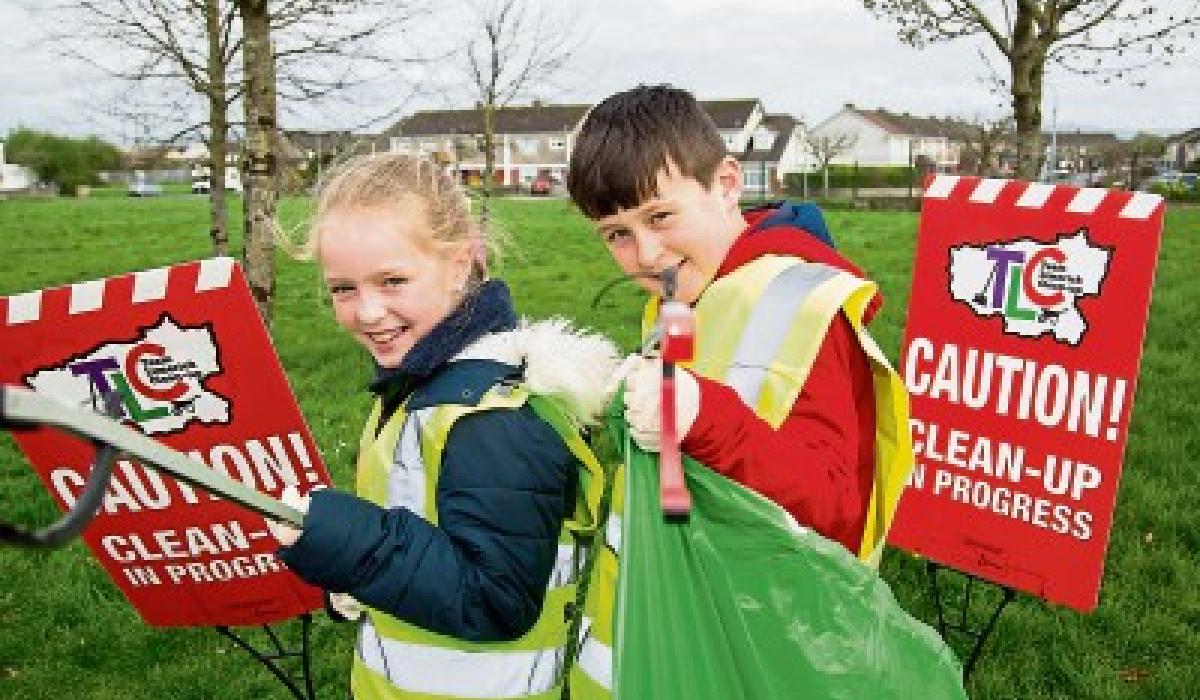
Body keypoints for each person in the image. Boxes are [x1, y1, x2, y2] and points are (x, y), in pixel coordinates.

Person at [564, 85, 913, 698]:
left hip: (766, 640)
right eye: (615, 234)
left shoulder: (802, 306)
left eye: (660, 217)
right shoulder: (686, 292)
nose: (645, 254)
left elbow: (834, 510)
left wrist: (702, 417)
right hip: (699, 618)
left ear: (726, 184)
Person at [268, 153, 620, 700]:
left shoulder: (492, 420)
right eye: (342, 289)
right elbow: (424, 543)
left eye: (392, 281)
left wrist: (349, 545)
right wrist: (356, 582)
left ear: (460, 264)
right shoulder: (425, 388)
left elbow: (493, 598)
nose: (367, 312)